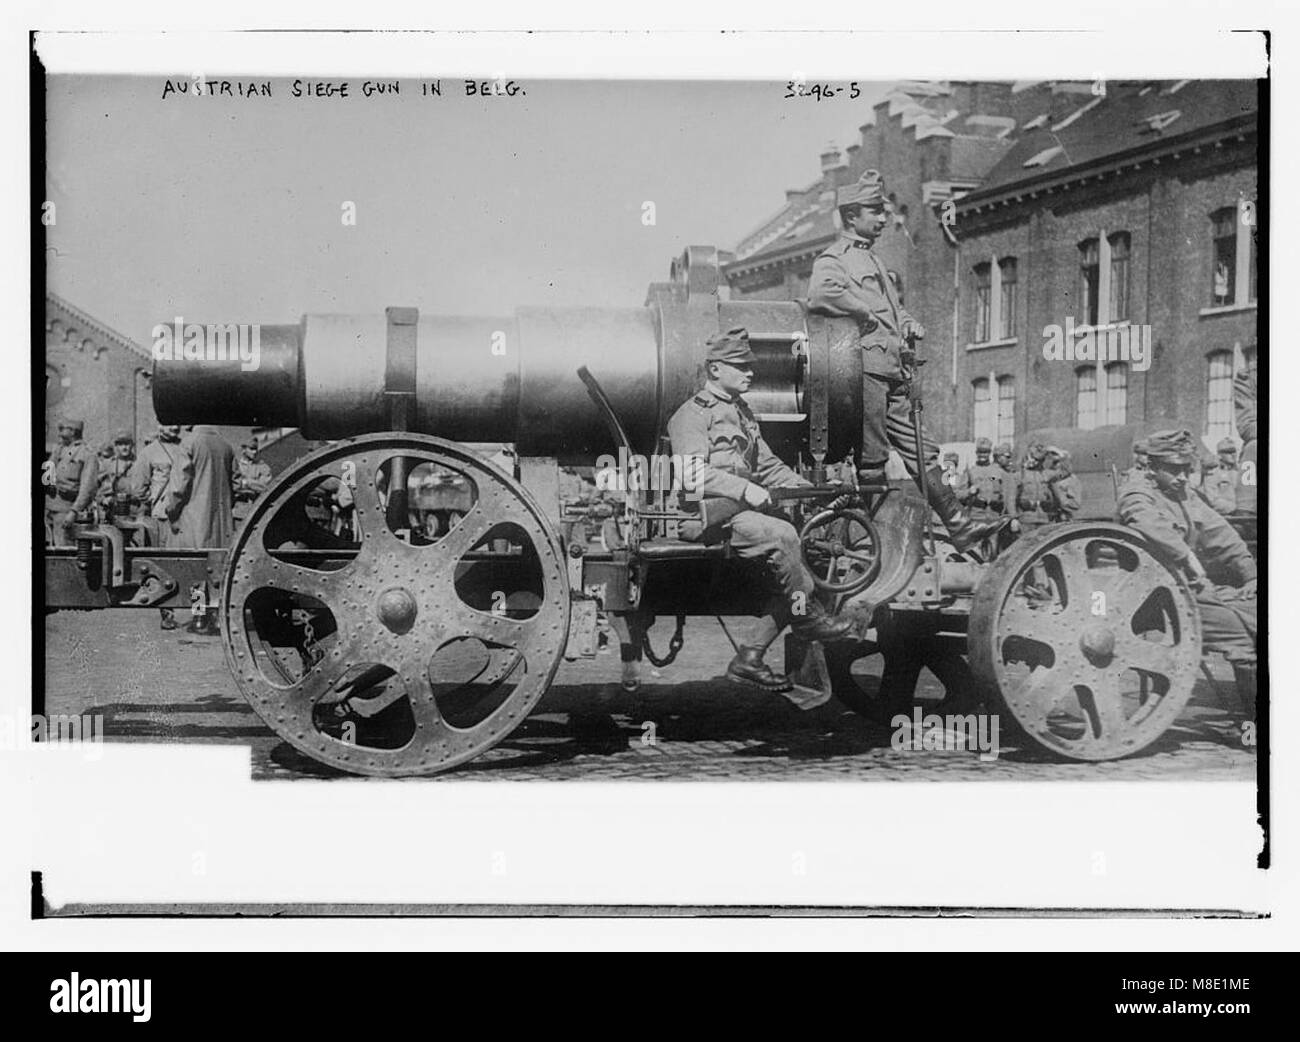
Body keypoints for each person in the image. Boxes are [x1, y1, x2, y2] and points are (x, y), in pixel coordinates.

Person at [806, 169, 1002, 552]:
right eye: (874, 211)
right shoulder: (835, 259)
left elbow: (892, 311)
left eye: (883, 211)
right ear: (851, 216)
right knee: (872, 455)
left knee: (922, 449)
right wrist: (861, 311)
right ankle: (867, 543)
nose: (883, 218)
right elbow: (820, 294)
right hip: (864, 372)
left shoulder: (875, 262)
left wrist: (907, 323)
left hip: (893, 371)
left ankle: (959, 524)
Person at [668, 326, 854, 693]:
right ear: (715, 369)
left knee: (801, 555)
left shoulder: (743, 413)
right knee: (782, 535)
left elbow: (770, 467)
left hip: (738, 512)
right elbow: (691, 473)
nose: (750, 372)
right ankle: (806, 619)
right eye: (740, 365)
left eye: (750, 365)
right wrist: (744, 488)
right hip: (705, 515)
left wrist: (814, 492)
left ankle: (750, 657)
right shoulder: (692, 415)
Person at [1116, 428, 1257, 717]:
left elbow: (1220, 533)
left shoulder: (1183, 494)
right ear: (1152, 467)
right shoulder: (1136, 491)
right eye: (1173, 470)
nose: (1182, 476)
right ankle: (1252, 726)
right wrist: (1187, 555)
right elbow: (1146, 520)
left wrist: (1250, 572)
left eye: (1186, 469)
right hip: (1154, 596)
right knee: (1242, 641)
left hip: (1187, 589)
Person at [129, 424, 186, 629]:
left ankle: (199, 612)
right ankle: (167, 614)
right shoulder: (149, 452)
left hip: (187, 518)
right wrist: (155, 501)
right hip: (162, 519)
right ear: (160, 425)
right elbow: (138, 487)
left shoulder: (187, 447)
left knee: (194, 567)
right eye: (168, 423)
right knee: (164, 567)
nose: (174, 427)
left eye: (176, 423)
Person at [44, 418, 98, 546]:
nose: (59, 433)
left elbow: (87, 488)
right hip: (50, 510)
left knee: (65, 553)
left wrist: (74, 512)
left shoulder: (87, 454)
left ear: (73, 431)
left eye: (63, 429)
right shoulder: (59, 450)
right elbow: (46, 476)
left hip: (67, 512)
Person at [956, 436, 1014, 520]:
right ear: (976, 453)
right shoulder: (970, 472)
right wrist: (969, 492)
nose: (982, 455)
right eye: (980, 452)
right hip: (976, 516)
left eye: (985, 452)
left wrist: (1009, 517)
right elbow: (957, 495)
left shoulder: (998, 472)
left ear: (989, 453)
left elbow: (1007, 495)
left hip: (995, 516)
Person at [96, 430, 138, 520]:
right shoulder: (108, 464)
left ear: (132, 445)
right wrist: (103, 499)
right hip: (114, 510)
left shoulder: (140, 463)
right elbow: (94, 486)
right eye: (121, 445)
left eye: (127, 444)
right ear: (116, 446)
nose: (124, 448)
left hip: (134, 509)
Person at [1015, 440, 1057, 524]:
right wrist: (1013, 519)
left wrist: (1055, 452)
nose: (1035, 462)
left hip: (1045, 519)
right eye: (1033, 458)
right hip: (1026, 520)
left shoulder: (1048, 475)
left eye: (1039, 460)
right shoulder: (1019, 475)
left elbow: (1065, 470)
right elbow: (1011, 500)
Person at [1044, 446, 1082, 520]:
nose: (1055, 465)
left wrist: (1057, 491)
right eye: (1054, 462)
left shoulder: (1072, 480)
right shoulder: (1048, 479)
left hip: (1065, 519)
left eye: (1058, 462)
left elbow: (1075, 505)